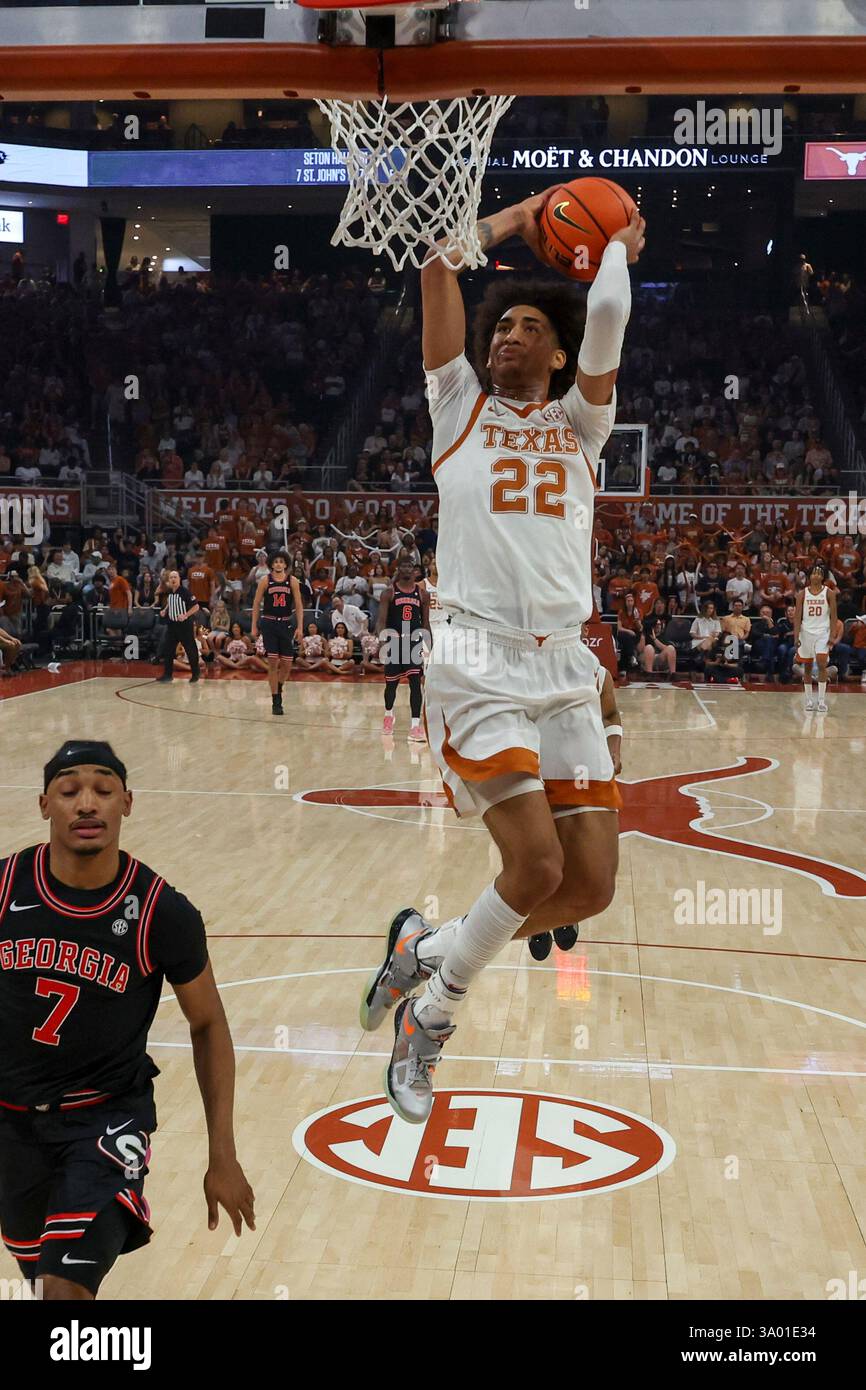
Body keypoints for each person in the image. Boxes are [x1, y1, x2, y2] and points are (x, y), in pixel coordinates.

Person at [361, 190, 644, 1122]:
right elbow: (438, 268)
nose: (508, 337)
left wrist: (614, 251)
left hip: (562, 664)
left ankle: (425, 943)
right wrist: (518, 219)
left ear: (559, 354)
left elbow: (606, 312)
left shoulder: (582, 427)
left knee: (589, 887)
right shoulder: (458, 409)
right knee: (532, 869)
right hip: (476, 656)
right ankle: (431, 1019)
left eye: (529, 326)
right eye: (502, 327)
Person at [0, 741, 254, 1300]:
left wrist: (223, 1155)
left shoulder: (163, 911)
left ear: (128, 803)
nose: (86, 804)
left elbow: (208, 1024)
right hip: (13, 1124)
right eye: (69, 791)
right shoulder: (3, 889)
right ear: (45, 804)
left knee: (62, 1292)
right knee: (38, 1282)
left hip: (105, 1121)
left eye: (103, 790)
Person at [376, 554, 429, 742]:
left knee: (416, 684)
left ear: (414, 569)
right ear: (398, 569)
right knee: (392, 684)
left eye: (410, 566)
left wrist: (430, 645)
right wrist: (381, 641)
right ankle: (388, 715)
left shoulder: (422, 594)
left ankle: (415, 726)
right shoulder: (389, 593)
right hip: (394, 642)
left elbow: (425, 623)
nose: (407, 569)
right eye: (403, 566)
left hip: (413, 642)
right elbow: (381, 620)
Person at [250, 551, 303, 717]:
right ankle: (276, 701)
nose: (279, 564)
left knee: (287, 664)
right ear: (271, 564)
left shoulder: (292, 581)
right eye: (276, 562)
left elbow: (299, 605)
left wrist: (300, 627)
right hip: (269, 623)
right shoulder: (265, 581)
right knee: (272, 661)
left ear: (286, 564)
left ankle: (278, 686)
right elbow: (256, 603)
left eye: (282, 562)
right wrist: (254, 626)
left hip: (286, 623)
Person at [794, 561, 836, 713]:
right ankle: (809, 700)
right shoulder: (802, 594)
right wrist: (796, 635)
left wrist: (832, 635)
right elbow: (797, 616)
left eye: (819, 573)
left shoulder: (829, 593)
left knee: (822, 663)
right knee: (808, 667)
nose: (816, 575)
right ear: (810, 576)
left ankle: (822, 700)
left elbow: (833, 616)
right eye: (813, 573)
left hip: (822, 632)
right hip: (805, 632)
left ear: (823, 576)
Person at [156, 571, 200, 684]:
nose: (173, 579)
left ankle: (195, 674)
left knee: (191, 650)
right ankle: (167, 675)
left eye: (175, 577)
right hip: (172, 625)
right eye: (171, 577)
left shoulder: (185, 592)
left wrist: (185, 615)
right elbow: (170, 603)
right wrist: (165, 610)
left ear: (179, 579)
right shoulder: (170, 592)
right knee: (168, 650)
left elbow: (196, 606)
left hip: (184, 626)